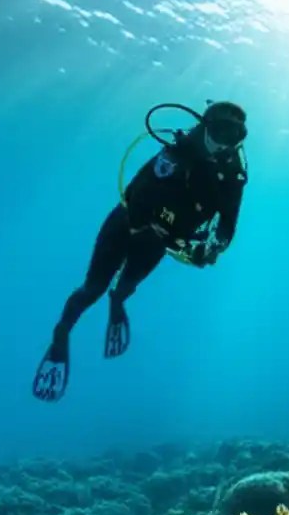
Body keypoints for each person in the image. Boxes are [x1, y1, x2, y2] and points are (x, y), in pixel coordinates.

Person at [32, 100, 249, 402]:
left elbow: (228, 223)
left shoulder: (233, 176)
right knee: (93, 288)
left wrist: (213, 249)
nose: (222, 142)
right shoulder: (176, 153)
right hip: (125, 225)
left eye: (234, 135)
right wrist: (161, 237)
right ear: (204, 127)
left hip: (160, 241)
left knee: (125, 288)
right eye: (219, 131)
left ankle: (117, 302)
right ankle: (61, 335)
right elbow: (139, 197)